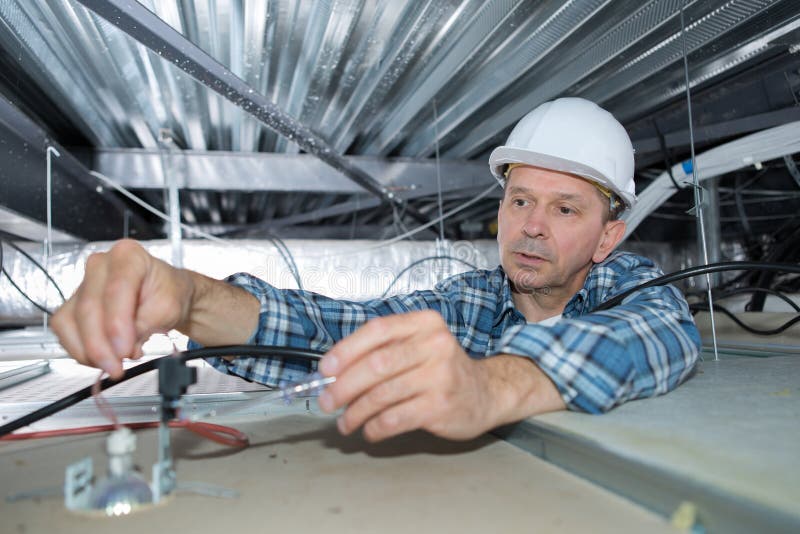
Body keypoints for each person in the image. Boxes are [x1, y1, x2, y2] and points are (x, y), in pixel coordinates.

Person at [51, 97, 700, 443]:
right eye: (520, 200)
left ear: (607, 236)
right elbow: (334, 329)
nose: (532, 225)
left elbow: (659, 336)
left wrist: (491, 388)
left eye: (565, 209)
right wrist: (190, 297)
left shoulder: (635, 289)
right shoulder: (469, 303)